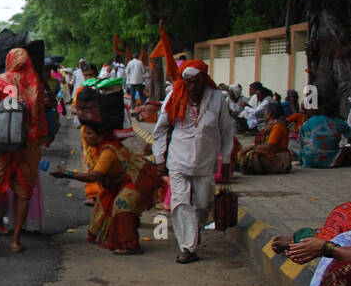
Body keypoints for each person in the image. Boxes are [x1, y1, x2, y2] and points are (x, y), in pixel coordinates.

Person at [151, 60, 235, 264]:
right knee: (180, 202)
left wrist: (227, 159)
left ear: (204, 80)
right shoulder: (174, 96)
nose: (191, 86)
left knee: (203, 204)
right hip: (178, 158)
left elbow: (227, 128)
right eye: (187, 82)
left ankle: (193, 231)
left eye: (195, 82)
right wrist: (159, 158)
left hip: (206, 161)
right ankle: (188, 248)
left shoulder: (217, 98)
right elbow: (160, 129)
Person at [0, 47, 47, 254]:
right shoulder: (35, 83)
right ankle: (15, 240)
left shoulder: (0, 80)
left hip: (1, 140)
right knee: (23, 192)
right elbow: (39, 117)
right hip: (27, 144)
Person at [52, 124, 162, 254]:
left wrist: (67, 174)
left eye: (89, 134)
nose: (85, 137)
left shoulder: (108, 151)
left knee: (122, 204)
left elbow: (94, 176)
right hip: (119, 184)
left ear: (101, 136)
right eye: (85, 134)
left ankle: (130, 244)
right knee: (104, 203)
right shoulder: (105, 146)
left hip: (134, 182)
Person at [237, 101, 293, 174]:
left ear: (270, 114)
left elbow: (270, 146)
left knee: (253, 154)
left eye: (266, 112)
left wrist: (251, 148)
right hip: (273, 154)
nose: (265, 114)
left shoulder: (278, 126)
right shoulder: (272, 125)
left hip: (280, 158)